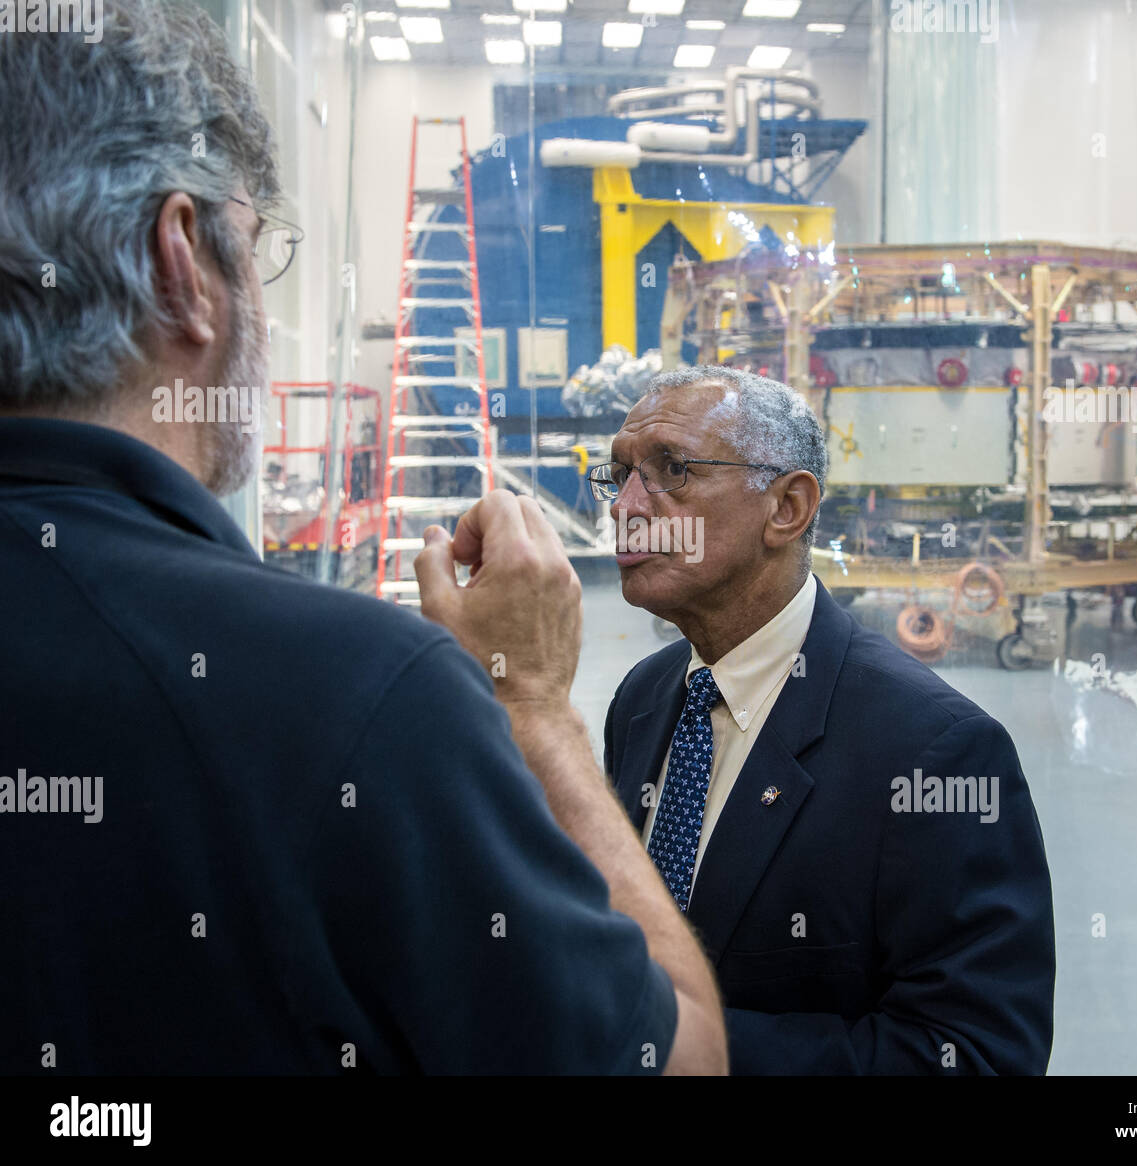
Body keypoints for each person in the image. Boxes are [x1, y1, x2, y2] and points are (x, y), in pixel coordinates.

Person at [0, 0, 725, 1075]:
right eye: (257, 250)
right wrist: (530, 704)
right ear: (182, 267)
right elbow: (681, 1057)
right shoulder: (358, 697)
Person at [598, 365, 1055, 1074]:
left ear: (787, 507)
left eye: (672, 470)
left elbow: (975, 1054)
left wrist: (670, 1048)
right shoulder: (644, 699)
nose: (627, 505)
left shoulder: (936, 752)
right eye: (620, 474)